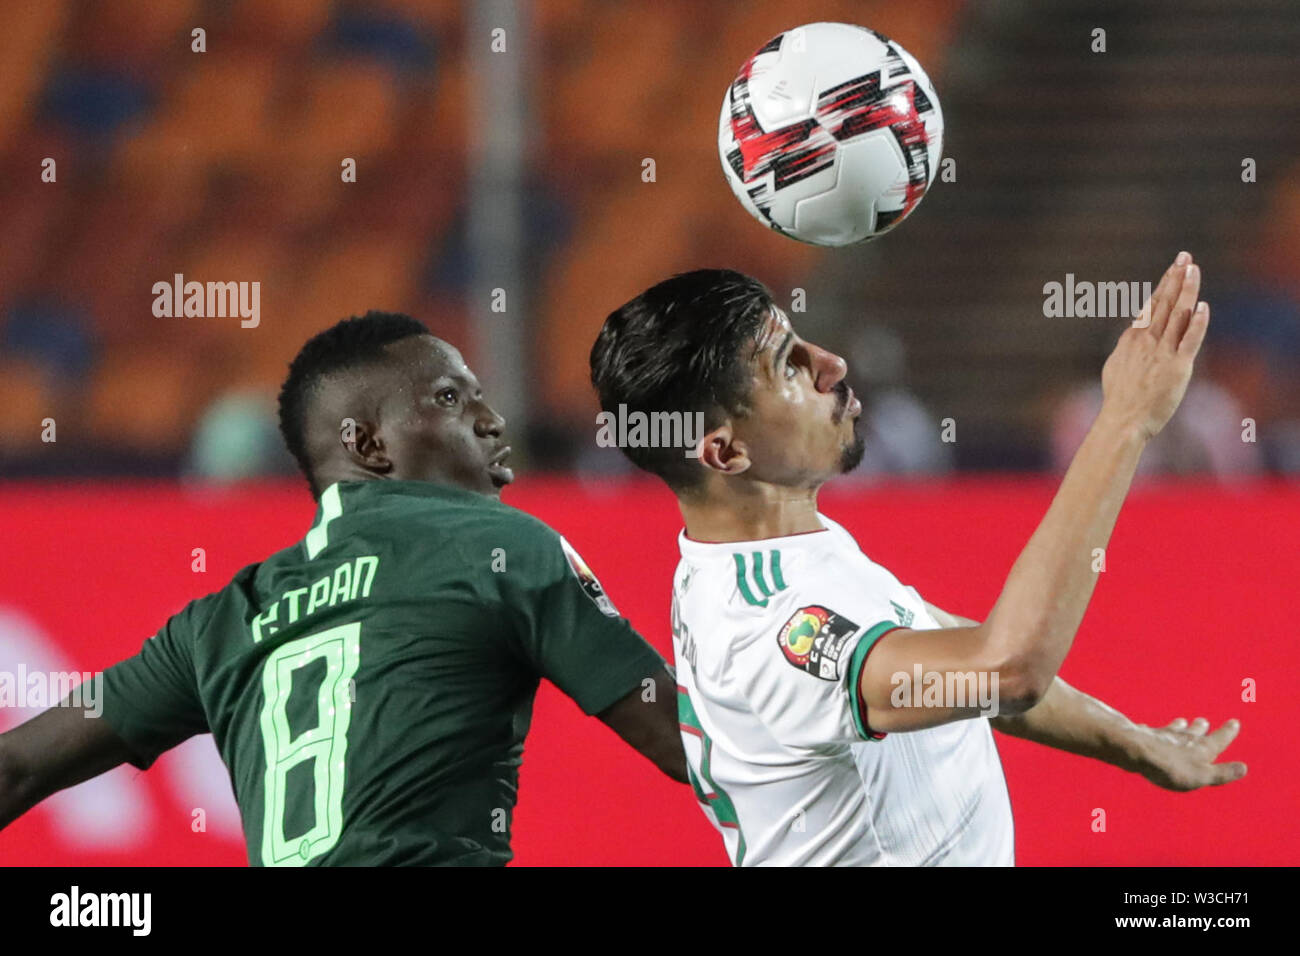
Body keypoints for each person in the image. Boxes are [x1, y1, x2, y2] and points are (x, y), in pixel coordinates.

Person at [589, 255, 1246, 866]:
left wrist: (1135, 742)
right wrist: (1125, 420)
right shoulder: (776, 625)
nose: (833, 363)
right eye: (788, 366)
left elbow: (952, 656)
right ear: (725, 453)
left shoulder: (761, 552)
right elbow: (1004, 671)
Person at [0, 312, 686, 866]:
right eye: (451, 398)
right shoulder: (500, 548)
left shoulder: (218, 623)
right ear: (368, 447)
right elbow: (694, 749)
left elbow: (16, 766)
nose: (491, 420)